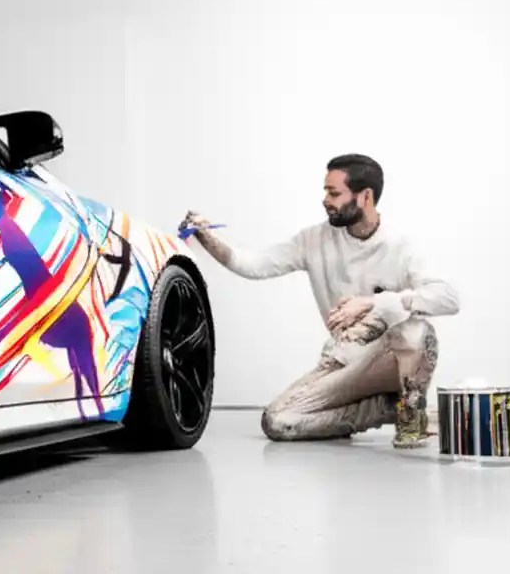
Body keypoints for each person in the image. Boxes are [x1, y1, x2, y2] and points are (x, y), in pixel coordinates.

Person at [181, 153, 460, 448]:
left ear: (365, 196)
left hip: (388, 362)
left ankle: (412, 417)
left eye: (334, 193)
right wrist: (208, 238)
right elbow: (254, 264)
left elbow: (449, 297)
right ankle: (387, 409)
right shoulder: (314, 240)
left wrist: (374, 303)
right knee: (278, 421)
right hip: (341, 364)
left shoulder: (401, 246)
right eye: (325, 191)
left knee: (417, 331)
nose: (326, 199)